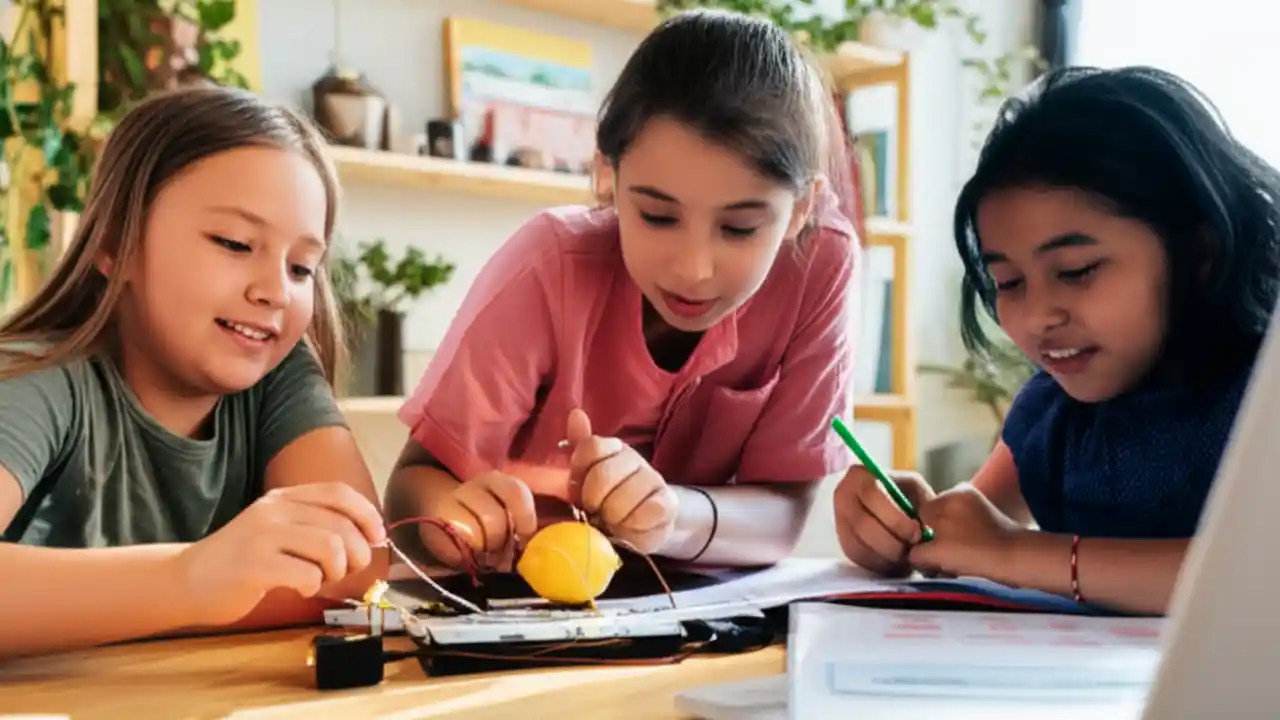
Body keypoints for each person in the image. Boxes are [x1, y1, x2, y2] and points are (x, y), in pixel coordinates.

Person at [387, 9, 861, 570]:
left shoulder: (821, 261)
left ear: (801, 208)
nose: (693, 269)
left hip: (699, 624)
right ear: (607, 176)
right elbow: (410, 491)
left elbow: (783, 518)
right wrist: (460, 523)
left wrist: (672, 515)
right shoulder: (550, 262)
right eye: (657, 215)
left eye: (739, 228)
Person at [835, 65, 1280, 616]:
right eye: (1009, 283)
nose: (1038, 315)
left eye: (1076, 270)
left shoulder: (1260, 397)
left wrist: (1019, 552)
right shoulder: (1053, 410)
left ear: (1199, 253)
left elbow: (1256, 579)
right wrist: (901, 526)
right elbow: (968, 528)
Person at [0, 87, 387, 659]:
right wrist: (188, 581)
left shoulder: (276, 377)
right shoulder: (41, 378)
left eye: (303, 266)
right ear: (115, 244)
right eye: (234, 243)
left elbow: (356, 564)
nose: (275, 290)